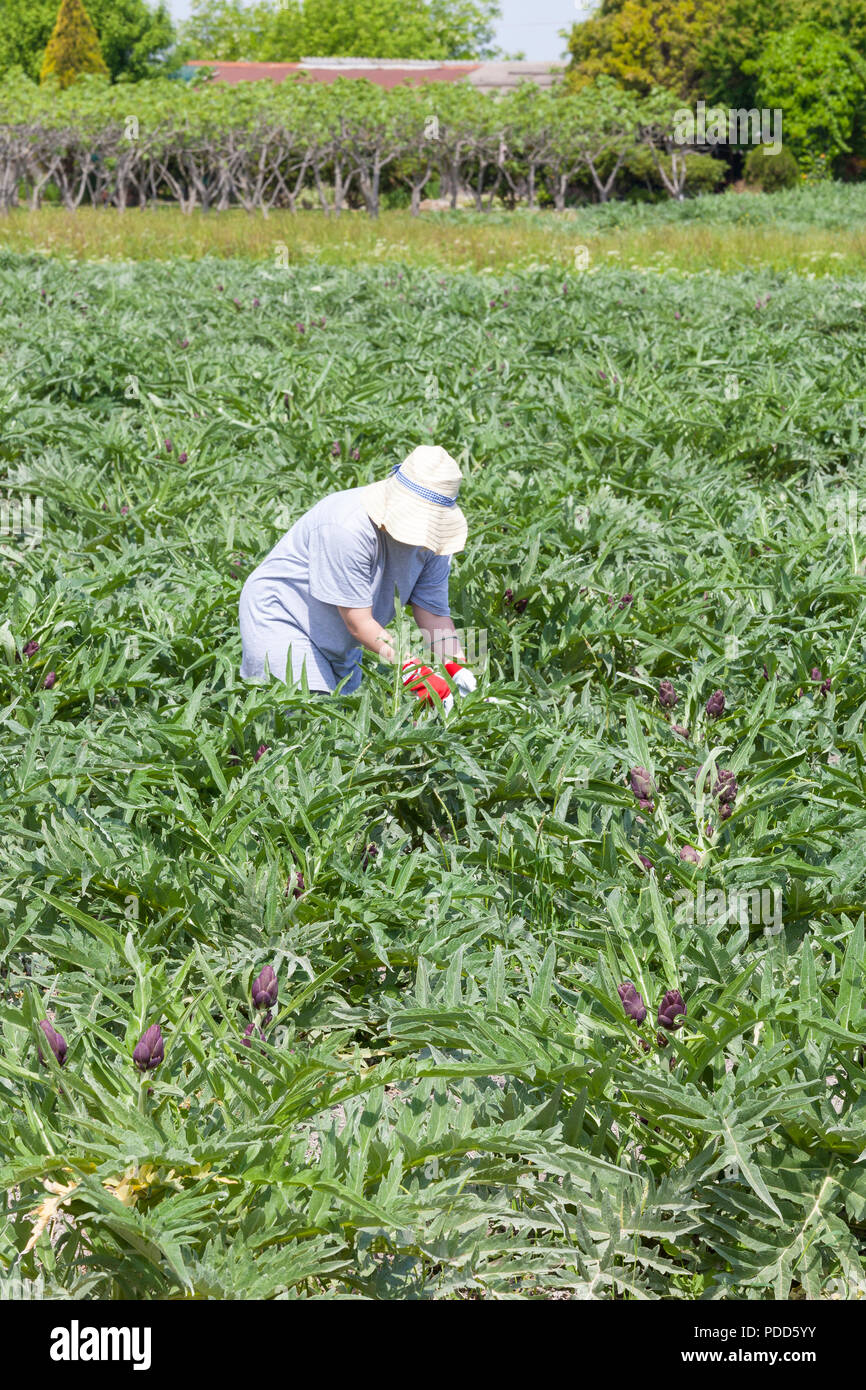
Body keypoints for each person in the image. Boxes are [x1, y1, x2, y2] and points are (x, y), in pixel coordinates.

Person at [238, 444, 473, 702]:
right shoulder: (347, 526)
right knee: (303, 717)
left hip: (339, 635)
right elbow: (358, 622)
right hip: (283, 617)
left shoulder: (435, 541)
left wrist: (458, 668)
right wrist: (414, 672)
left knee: (335, 724)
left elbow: (434, 615)